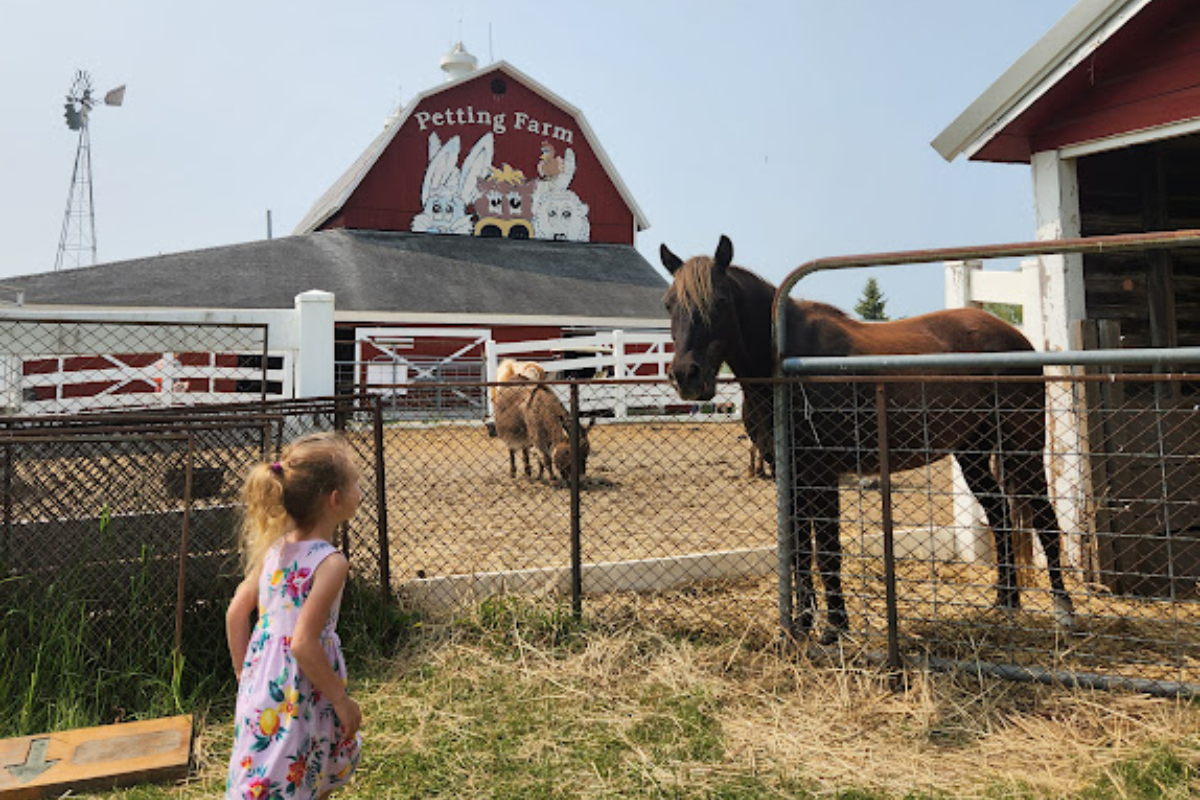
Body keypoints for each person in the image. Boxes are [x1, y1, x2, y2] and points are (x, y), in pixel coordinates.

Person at [225, 432, 364, 799]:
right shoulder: (330, 562)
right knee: (311, 762)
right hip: (304, 685)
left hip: (265, 682)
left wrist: (245, 675)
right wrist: (340, 699)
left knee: (272, 770)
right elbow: (303, 642)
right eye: (355, 483)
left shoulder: (274, 550)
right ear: (335, 499)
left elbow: (237, 612)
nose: (359, 490)